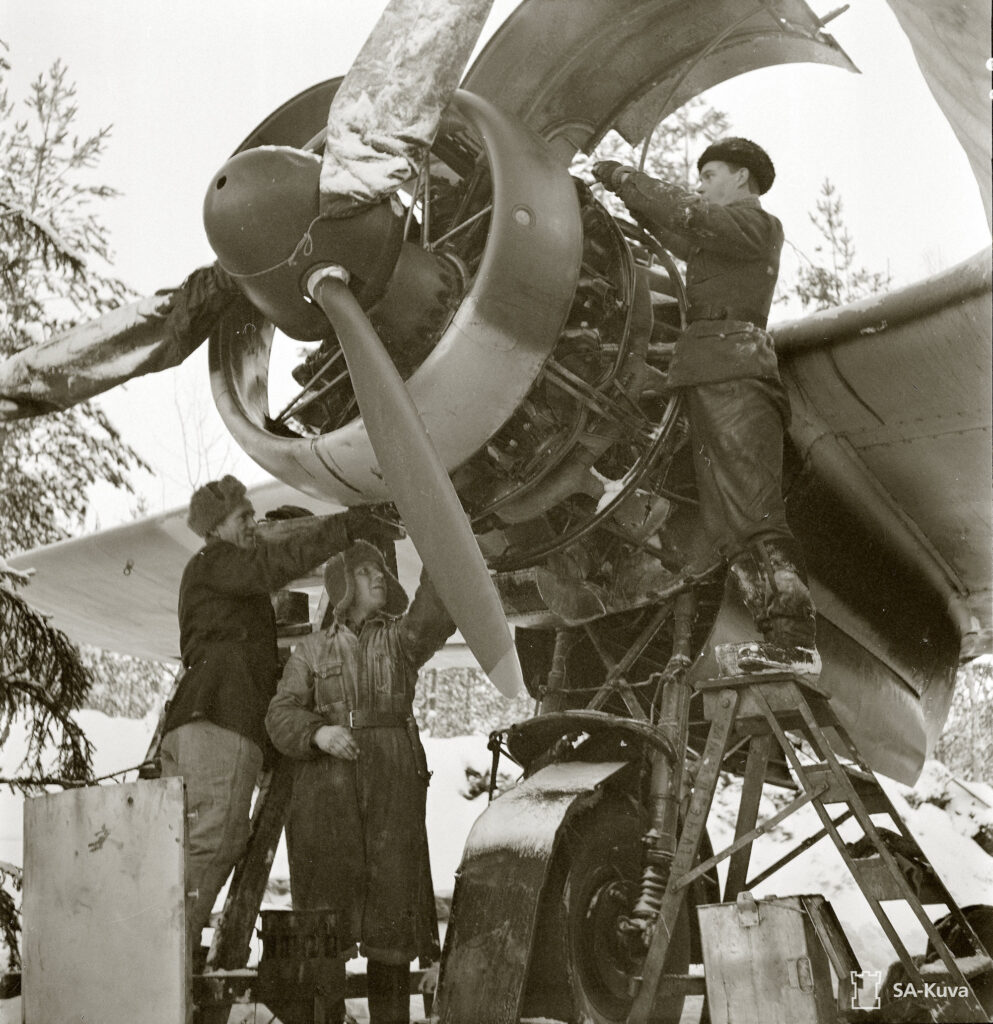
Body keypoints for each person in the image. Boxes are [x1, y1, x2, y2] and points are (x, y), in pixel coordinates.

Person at [593, 138, 819, 674]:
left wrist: (626, 178)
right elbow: (674, 226)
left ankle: (794, 642)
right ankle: (780, 639)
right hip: (710, 371)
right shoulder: (722, 238)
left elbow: (688, 216)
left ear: (742, 179)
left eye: (711, 173)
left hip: (736, 372)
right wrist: (623, 198)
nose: (702, 184)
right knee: (726, 520)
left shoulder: (760, 227)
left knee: (753, 511)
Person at [159, 474, 401, 959]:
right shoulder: (217, 561)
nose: (253, 524)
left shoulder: (220, 578)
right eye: (242, 517)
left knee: (192, 847)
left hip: (207, 717)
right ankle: (166, 969)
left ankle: (166, 966)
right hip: (218, 721)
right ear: (216, 528)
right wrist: (342, 530)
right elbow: (269, 563)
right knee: (216, 840)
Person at [265, 540, 455, 1024]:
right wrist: (320, 732)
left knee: (390, 927)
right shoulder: (311, 649)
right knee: (325, 925)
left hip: (392, 785)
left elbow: (435, 612)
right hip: (326, 797)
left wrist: (446, 545)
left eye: (380, 572)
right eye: (366, 570)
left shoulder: (399, 639)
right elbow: (280, 715)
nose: (377, 578)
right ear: (343, 585)